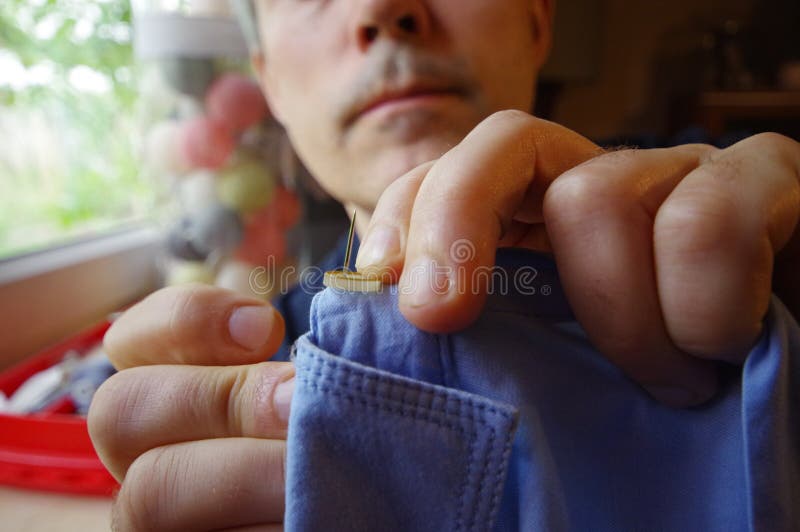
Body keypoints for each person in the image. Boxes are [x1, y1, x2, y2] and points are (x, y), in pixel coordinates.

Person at [88, 1, 800, 530]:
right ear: (268, 81)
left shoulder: (764, 244)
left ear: (536, 19)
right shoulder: (258, 358)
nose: (383, 12)